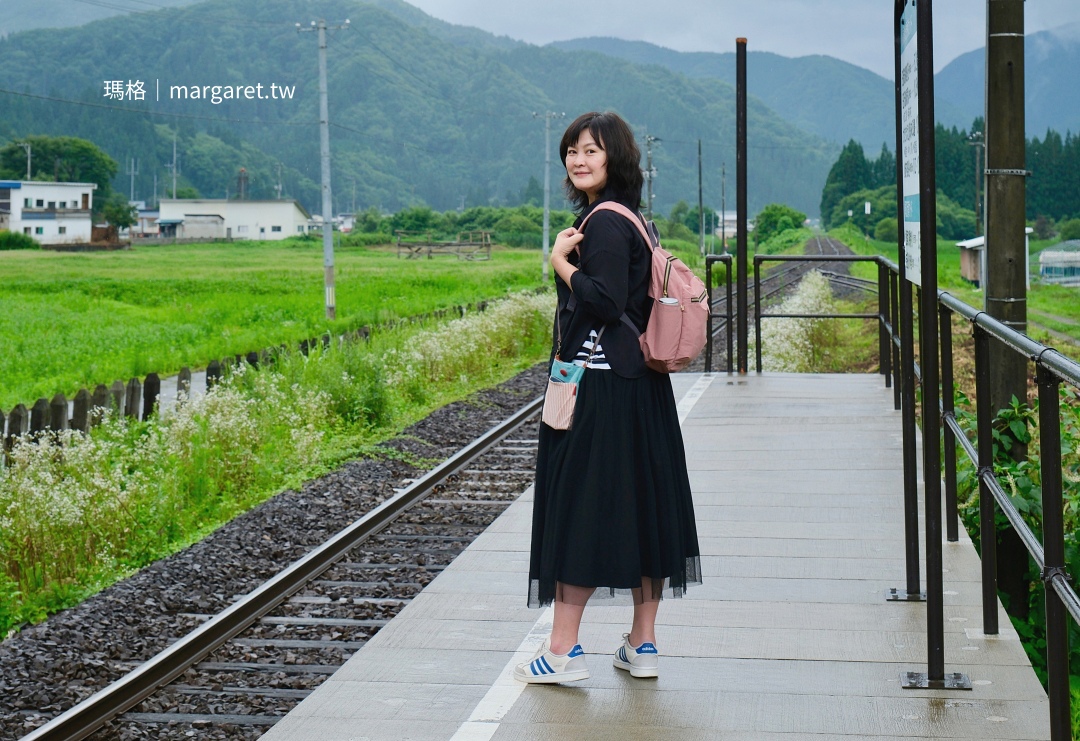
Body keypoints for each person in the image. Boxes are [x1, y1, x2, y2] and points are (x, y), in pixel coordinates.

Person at [514, 111, 701, 684]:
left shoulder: (605, 224)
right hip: (642, 390)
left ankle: (565, 651)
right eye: (571, 151)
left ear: (614, 157)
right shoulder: (634, 220)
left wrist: (560, 265)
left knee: (579, 513)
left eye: (590, 150)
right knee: (646, 508)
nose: (577, 159)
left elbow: (602, 298)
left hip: (599, 392)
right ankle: (641, 645)